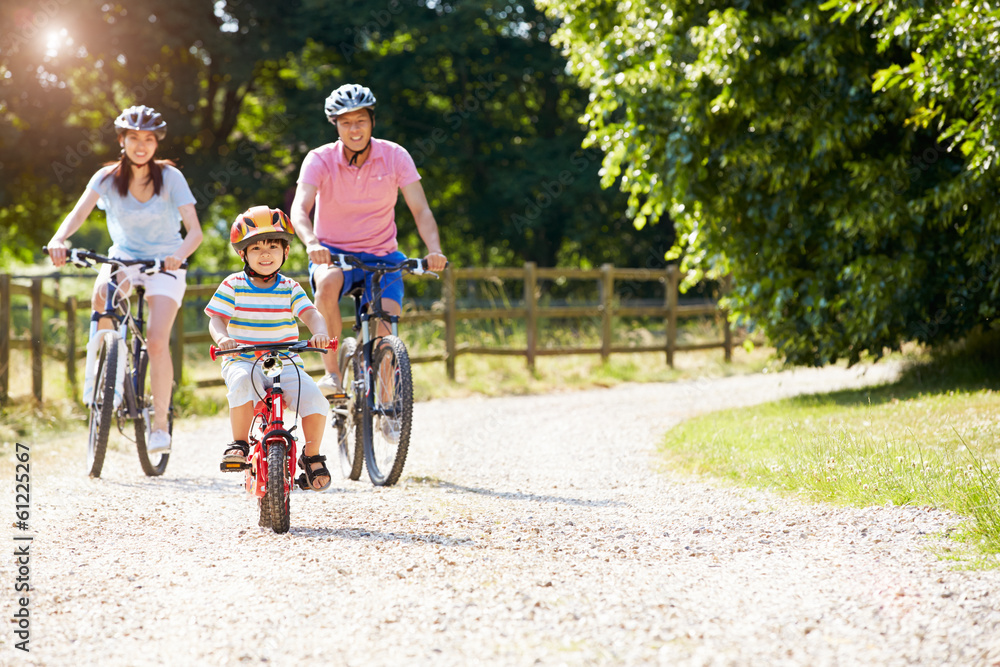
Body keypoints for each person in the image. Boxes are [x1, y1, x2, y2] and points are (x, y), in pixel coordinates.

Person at [47, 105, 203, 455]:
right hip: (125, 257)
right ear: (122, 140)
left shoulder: (171, 178)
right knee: (103, 292)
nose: (141, 145)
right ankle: (106, 380)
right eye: (134, 138)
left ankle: (160, 425)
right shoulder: (106, 177)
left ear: (156, 143)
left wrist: (179, 255)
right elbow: (78, 214)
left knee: (157, 340)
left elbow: (195, 232)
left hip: (166, 262)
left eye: (148, 139)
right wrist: (60, 239)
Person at [289, 83, 448, 397]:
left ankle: (387, 400)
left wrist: (435, 250)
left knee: (387, 321)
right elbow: (299, 208)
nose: (354, 129)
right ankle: (332, 373)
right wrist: (311, 242)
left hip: (383, 255)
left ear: (372, 121)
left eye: (360, 120)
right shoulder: (319, 159)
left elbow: (421, 209)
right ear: (335, 125)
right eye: (346, 122)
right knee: (328, 284)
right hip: (332, 254)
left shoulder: (395, 156)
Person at [205, 206, 332, 491]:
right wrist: (223, 338)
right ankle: (238, 443)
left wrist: (320, 332)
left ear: (285, 252)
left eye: (273, 246)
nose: (265, 254)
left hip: (285, 359)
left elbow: (311, 314)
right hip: (244, 358)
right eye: (257, 247)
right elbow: (216, 318)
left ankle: (311, 456)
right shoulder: (233, 284)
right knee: (239, 383)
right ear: (243, 254)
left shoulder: (290, 287)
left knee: (315, 399)